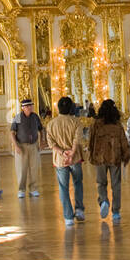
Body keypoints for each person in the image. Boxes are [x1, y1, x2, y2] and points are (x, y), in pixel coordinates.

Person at [89, 99, 130, 222]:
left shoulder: (96, 124)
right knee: (116, 184)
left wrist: (91, 154)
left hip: (100, 157)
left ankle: (103, 200)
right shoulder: (117, 124)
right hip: (115, 156)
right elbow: (123, 141)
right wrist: (126, 155)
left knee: (101, 182)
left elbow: (91, 140)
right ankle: (116, 212)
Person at [48, 97, 86, 226]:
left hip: (60, 160)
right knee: (77, 183)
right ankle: (79, 209)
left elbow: (51, 143)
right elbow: (78, 139)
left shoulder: (51, 123)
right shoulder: (76, 122)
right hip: (75, 158)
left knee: (63, 187)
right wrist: (72, 153)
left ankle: (68, 217)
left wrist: (63, 153)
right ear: (71, 108)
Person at [11, 98, 44, 198]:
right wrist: (16, 146)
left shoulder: (35, 117)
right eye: (27, 106)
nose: (30, 107)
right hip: (21, 146)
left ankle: (33, 189)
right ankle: (21, 190)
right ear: (23, 108)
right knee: (22, 169)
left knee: (34, 168)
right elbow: (12, 132)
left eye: (31, 105)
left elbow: (41, 130)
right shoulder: (17, 117)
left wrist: (42, 141)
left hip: (34, 145)